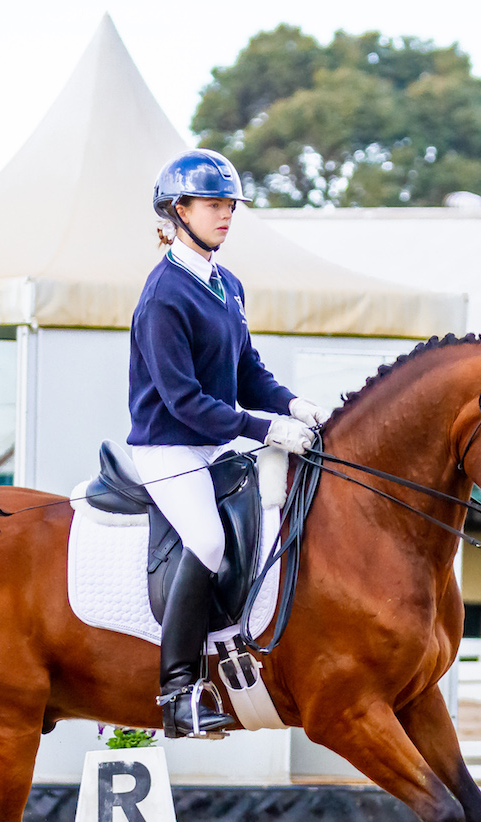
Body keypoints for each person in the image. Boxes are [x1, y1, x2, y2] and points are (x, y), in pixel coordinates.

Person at [128, 148, 331, 739]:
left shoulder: (226, 283)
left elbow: (248, 373)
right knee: (209, 539)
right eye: (213, 205)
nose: (225, 215)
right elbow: (183, 401)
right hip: (169, 447)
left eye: (230, 206)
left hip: (214, 444)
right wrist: (266, 430)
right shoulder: (163, 295)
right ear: (178, 211)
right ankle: (178, 694)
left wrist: (294, 405)